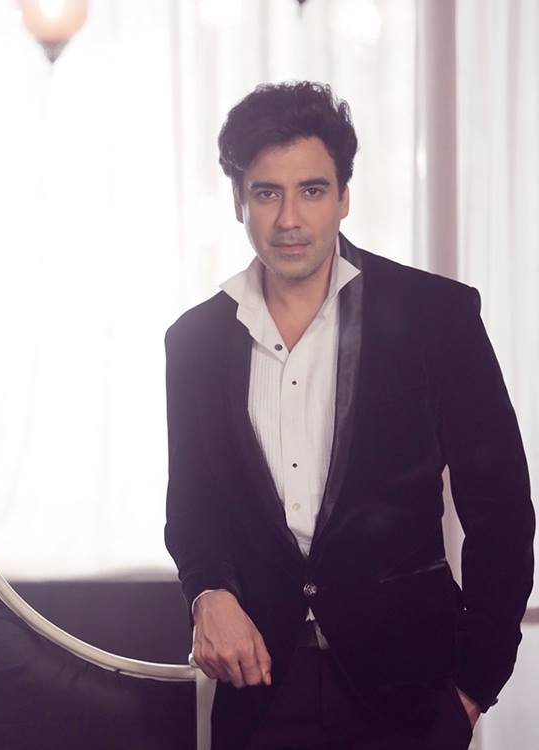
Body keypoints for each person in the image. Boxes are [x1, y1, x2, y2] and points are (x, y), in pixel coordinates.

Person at [164, 81, 535, 750]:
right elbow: (192, 509)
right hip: (260, 692)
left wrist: (473, 688)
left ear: (343, 197)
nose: (290, 219)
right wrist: (207, 592)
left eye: (311, 190)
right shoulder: (194, 342)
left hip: (413, 695)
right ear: (239, 200)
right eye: (267, 193)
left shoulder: (437, 318)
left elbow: (501, 512)